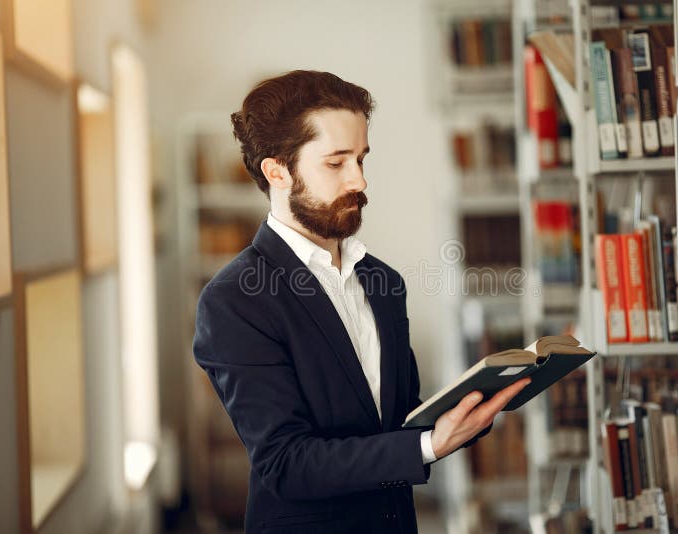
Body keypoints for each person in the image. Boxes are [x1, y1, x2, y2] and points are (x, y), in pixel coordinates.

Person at [192, 70, 530, 534]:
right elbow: (286, 464)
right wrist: (428, 446)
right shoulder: (233, 301)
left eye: (361, 159)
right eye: (336, 163)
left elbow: (398, 421)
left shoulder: (381, 281)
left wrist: (463, 413)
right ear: (278, 172)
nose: (360, 181)